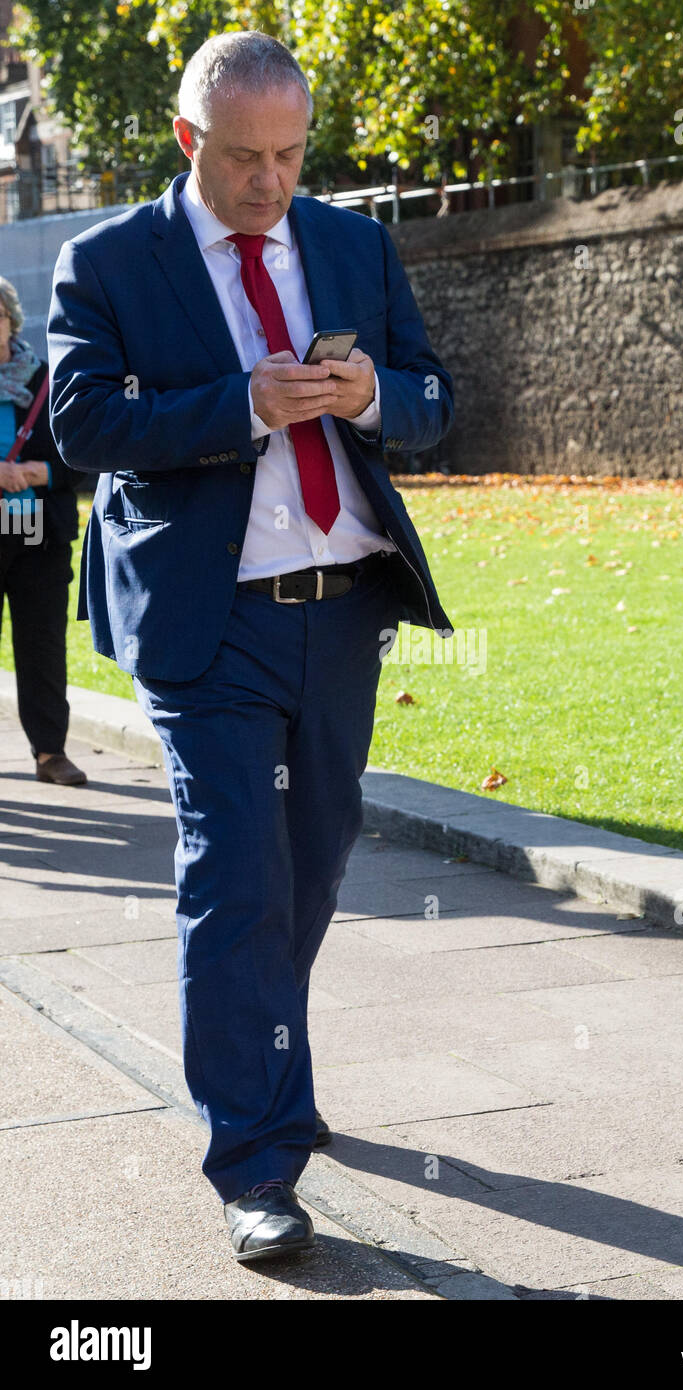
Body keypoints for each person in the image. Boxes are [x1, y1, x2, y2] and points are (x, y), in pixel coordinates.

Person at [48, 30, 453, 1262]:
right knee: (238, 881)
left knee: (314, 867)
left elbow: (438, 398)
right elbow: (80, 422)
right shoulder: (108, 260)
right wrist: (240, 407)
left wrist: (372, 395)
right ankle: (256, 1162)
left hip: (341, 615)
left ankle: (269, 1062)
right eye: (241, 157)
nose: (268, 181)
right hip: (205, 625)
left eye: (287, 154)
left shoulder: (350, 242)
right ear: (188, 141)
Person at [0, 275, 86, 787]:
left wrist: (40, 474)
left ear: (10, 320)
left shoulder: (47, 381)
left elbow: (83, 457)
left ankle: (50, 752)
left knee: (42, 645)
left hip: (35, 531)